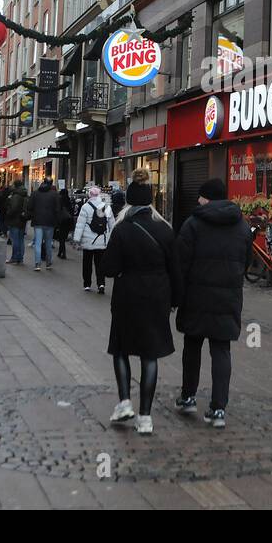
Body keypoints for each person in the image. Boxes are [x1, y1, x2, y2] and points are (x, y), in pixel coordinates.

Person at [100, 170, 181, 436]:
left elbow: (109, 268)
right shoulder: (165, 230)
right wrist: (176, 300)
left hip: (127, 296)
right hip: (157, 296)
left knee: (121, 350)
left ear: (129, 203)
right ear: (151, 203)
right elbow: (175, 269)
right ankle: (145, 417)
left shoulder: (122, 229)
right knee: (150, 355)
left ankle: (124, 402)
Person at [175, 178, 250, 429]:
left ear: (207, 198)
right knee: (221, 350)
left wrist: (176, 295)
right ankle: (218, 408)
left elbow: (180, 263)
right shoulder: (241, 225)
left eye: (201, 196)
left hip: (195, 296)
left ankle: (188, 397)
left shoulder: (193, 224)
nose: (197, 200)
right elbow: (246, 262)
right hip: (227, 298)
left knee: (192, 347)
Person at [73, 185, 115, 293]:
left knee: (87, 262)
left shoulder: (85, 207)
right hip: (101, 240)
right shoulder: (106, 207)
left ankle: (87, 283)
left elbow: (80, 225)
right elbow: (112, 224)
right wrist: (111, 239)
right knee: (100, 263)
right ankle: (101, 283)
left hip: (88, 240)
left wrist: (76, 239)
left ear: (89, 195)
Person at [28, 178, 61, 270]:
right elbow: (58, 209)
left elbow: (29, 206)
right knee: (48, 243)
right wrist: (57, 221)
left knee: (38, 243)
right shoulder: (55, 194)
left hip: (38, 221)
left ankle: (37, 263)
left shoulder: (35, 193)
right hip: (50, 221)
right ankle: (48, 262)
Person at [3, 179, 28, 264]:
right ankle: (20, 258)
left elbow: (13, 208)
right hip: (22, 219)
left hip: (15, 220)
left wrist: (8, 213)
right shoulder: (24, 194)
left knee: (15, 240)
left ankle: (14, 257)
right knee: (21, 239)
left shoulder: (16, 195)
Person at [55, 188, 76, 259]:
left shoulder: (60, 201)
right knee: (63, 237)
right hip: (68, 221)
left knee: (61, 238)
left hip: (62, 221)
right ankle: (60, 252)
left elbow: (58, 211)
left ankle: (63, 253)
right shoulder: (69, 201)